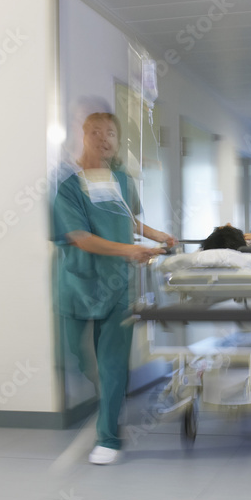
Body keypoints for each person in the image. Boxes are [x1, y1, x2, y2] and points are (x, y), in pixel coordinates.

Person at [53, 112, 175, 465]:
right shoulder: (69, 186)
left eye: (111, 134)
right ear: (83, 136)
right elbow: (79, 237)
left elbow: (127, 218)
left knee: (113, 364)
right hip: (79, 283)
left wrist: (157, 236)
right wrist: (130, 250)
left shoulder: (122, 179)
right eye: (96, 133)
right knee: (74, 357)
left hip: (118, 285)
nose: (105, 139)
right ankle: (101, 406)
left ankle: (108, 436)